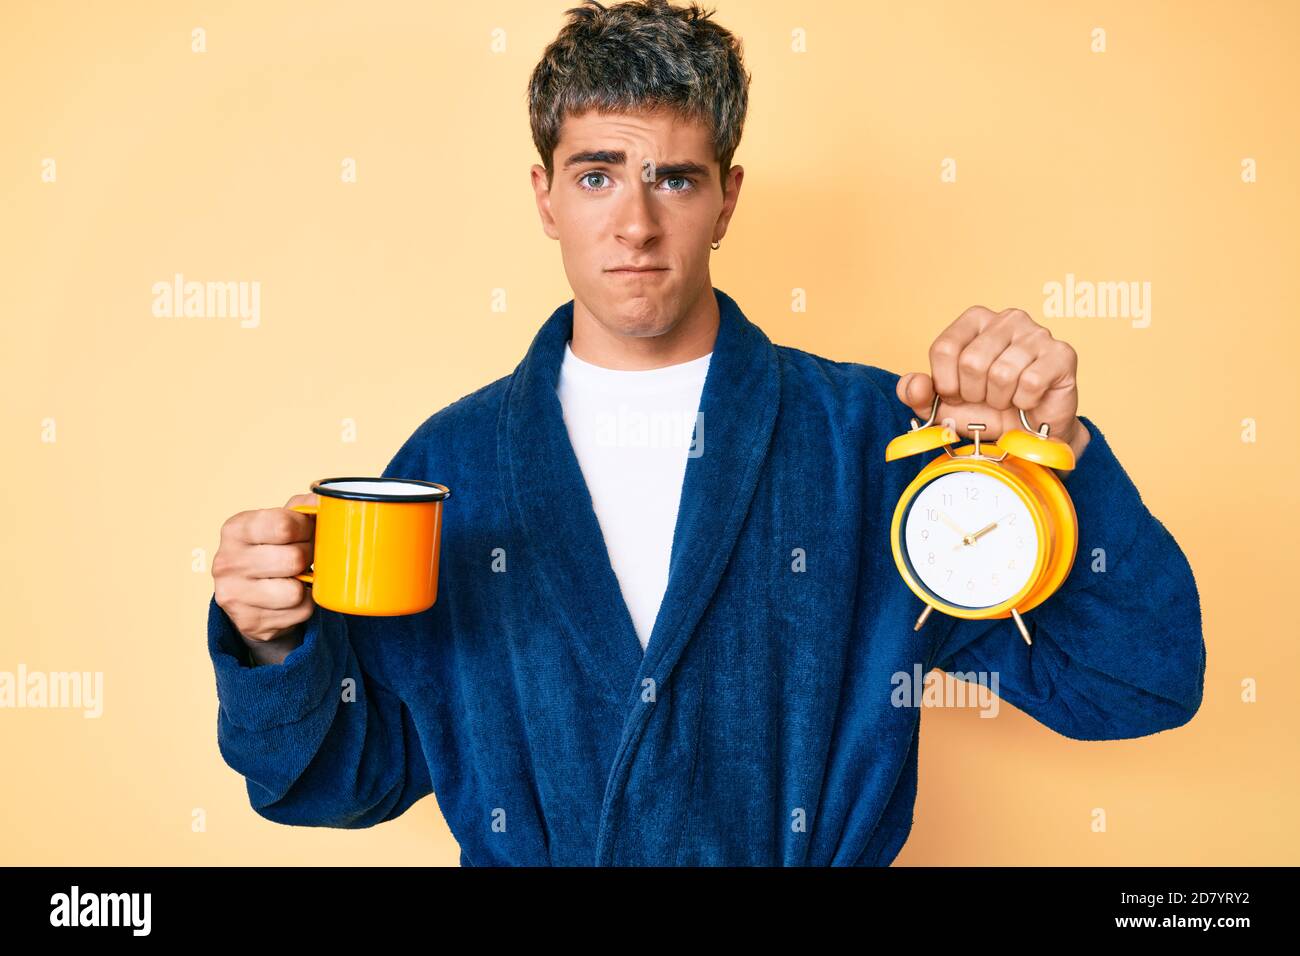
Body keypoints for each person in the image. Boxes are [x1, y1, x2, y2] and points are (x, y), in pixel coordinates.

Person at [207, 0, 1205, 866]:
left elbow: (1133, 683)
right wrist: (273, 645)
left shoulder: (873, 445)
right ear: (543, 197)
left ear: (727, 197)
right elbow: (338, 780)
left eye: (674, 180)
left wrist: (1058, 464)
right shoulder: (450, 466)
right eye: (596, 176)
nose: (635, 224)